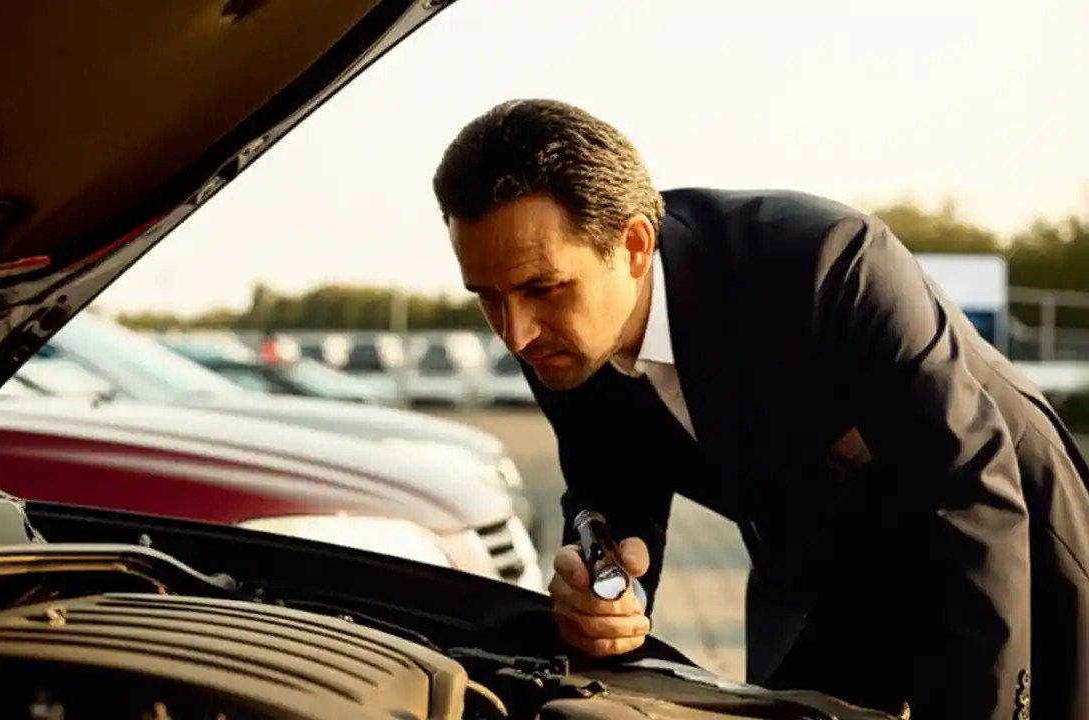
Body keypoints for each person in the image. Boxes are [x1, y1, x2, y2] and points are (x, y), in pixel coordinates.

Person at [431, 98, 1089, 720]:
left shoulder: (827, 263)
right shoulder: (556, 340)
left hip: (1008, 536)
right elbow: (605, 497)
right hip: (818, 571)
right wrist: (603, 597)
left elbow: (966, 495)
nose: (514, 333)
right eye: (487, 296)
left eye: (541, 288)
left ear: (633, 245)